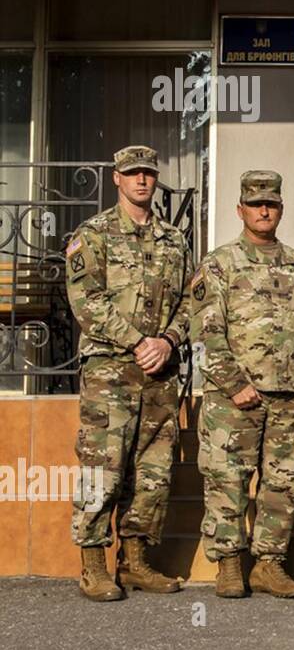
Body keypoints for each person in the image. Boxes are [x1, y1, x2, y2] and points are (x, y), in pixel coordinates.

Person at [65, 144, 192, 600]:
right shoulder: (92, 234)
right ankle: (94, 566)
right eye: (131, 172)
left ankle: (136, 561)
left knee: (153, 470)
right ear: (116, 178)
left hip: (160, 372)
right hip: (111, 370)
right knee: (104, 466)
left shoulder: (174, 240)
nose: (141, 180)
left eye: (148, 173)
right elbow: (86, 303)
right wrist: (139, 342)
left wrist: (168, 341)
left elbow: (189, 304)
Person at [190, 170, 294, 599]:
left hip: (286, 394)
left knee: (282, 482)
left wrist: (286, 373)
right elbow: (205, 332)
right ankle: (228, 564)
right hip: (233, 397)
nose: (264, 210)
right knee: (227, 479)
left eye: (272, 204)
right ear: (239, 209)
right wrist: (233, 382)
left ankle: (269, 564)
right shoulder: (219, 263)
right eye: (256, 203)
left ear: (281, 209)